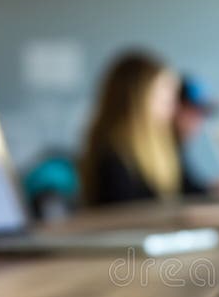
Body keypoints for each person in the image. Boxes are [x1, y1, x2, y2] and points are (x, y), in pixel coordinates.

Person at [80, 52, 204, 205]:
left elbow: (189, 190)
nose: (173, 107)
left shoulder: (165, 146)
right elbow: (122, 212)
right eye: (165, 98)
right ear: (139, 100)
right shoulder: (113, 154)